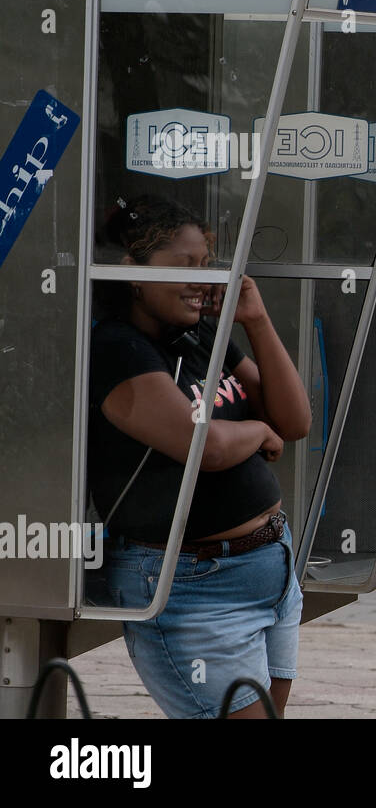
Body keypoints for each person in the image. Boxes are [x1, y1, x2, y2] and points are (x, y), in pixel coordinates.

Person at [90, 195, 311, 718]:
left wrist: (254, 321)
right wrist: (257, 431)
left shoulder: (202, 333)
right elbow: (202, 446)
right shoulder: (117, 348)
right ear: (133, 273)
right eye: (182, 266)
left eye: (206, 265)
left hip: (271, 565)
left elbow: (296, 421)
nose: (200, 279)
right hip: (192, 587)